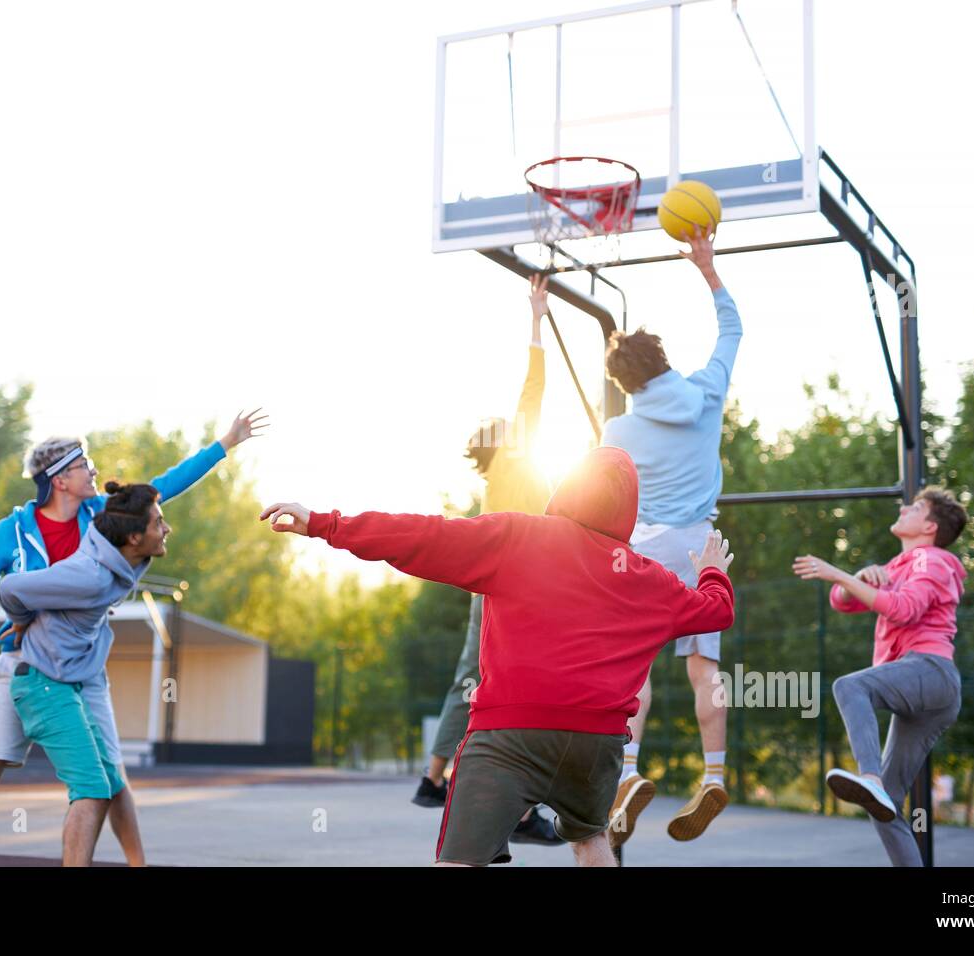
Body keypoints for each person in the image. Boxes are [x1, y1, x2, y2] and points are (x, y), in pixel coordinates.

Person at [261, 446, 736, 866]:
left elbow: (422, 536)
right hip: (595, 741)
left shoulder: (518, 536)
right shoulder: (645, 576)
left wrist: (326, 524)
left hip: (509, 735)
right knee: (590, 837)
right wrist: (711, 571)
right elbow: (717, 612)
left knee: (459, 861)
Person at [0, 409, 266, 866]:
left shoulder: (101, 516)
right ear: (59, 480)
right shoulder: (13, 531)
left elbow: (161, 488)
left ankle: (138, 864)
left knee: (113, 778)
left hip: (83, 667)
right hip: (24, 664)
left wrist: (224, 444)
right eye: (82, 465)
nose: (93, 471)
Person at [599, 227, 742, 846]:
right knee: (704, 665)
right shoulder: (706, 393)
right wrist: (707, 270)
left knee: (635, 663)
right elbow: (733, 331)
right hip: (701, 548)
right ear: (662, 361)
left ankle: (629, 772)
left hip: (644, 551)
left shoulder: (618, 430)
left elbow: (599, 496)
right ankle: (714, 775)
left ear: (627, 382)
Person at [411, 274, 562, 846]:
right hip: (514, 585)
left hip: (495, 582)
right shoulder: (514, 464)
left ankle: (445, 784)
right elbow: (535, 387)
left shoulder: (504, 481)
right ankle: (515, 810)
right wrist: (537, 317)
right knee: (514, 683)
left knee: (478, 678)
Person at [792, 486, 968, 867]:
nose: (905, 508)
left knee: (850, 686)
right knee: (885, 804)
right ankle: (878, 790)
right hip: (922, 690)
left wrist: (836, 572)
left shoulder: (931, 560)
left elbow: (903, 610)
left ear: (930, 527)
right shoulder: (900, 566)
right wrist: (858, 578)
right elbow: (843, 601)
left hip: (931, 671)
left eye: (916, 507)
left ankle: (868, 776)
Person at [0, 481, 165, 866]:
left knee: (113, 783)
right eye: (159, 523)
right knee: (91, 789)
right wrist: (21, 621)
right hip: (41, 683)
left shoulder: (127, 557)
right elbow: (10, 588)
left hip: (73, 679)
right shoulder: (90, 575)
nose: (166, 528)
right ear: (135, 537)